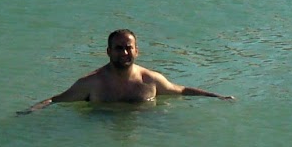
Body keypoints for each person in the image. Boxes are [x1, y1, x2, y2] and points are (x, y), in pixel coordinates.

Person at [19, 29, 234, 113]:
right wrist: (33, 110)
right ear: (109, 52)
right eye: (119, 48)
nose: (124, 53)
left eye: (128, 48)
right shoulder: (91, 84)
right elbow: (56, 100)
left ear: (136, 51)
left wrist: (217, 96)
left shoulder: (150, 80)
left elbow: (182, 90)